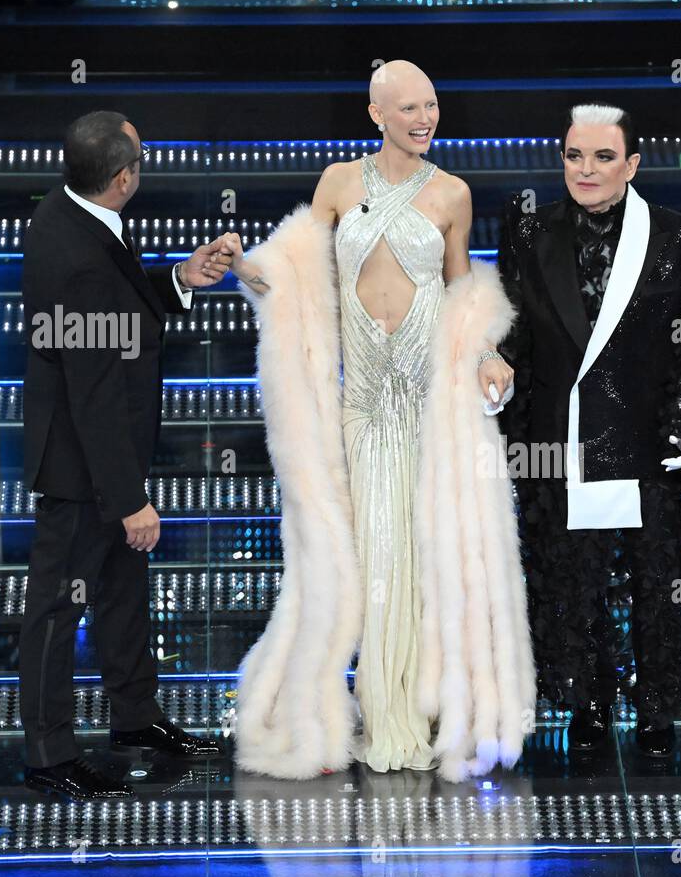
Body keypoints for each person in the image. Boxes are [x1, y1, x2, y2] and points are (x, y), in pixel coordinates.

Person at [225, 61, 535, 782]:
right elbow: (298, 279)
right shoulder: (337, 183)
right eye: (409, 107)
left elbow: (463, 291)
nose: (425, 118)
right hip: (359, 409)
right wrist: (247, 268)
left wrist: (488, 350)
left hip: (429, 407)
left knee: (426, 557)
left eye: (432, 105)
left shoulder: (453, 193)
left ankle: (423, 709)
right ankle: (367, 704)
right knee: (364, 559)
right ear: (377, 114)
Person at [496, 103, 681, 758]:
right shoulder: (526, 232)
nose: (587, 169)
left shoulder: (678, 233)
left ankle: (657, 702)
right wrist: (494, 369)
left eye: (604, 157)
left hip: (651, 434)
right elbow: (510, 329)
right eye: (575, 155)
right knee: (577, 572)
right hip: (561, 432)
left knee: (656, 577)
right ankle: (592, 696)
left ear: (632, 164)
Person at [19, 110, 233, 800]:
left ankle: (135, 717)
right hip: (83, 466)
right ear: (122, 178)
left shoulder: (76, 212)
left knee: (120, 591)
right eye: (139, 159)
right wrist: (129, 498)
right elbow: (95, 393)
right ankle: (50, 754)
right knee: (59, 607)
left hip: (101, 456)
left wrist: (178, 280)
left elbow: (120, 312)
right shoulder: (77, 257)